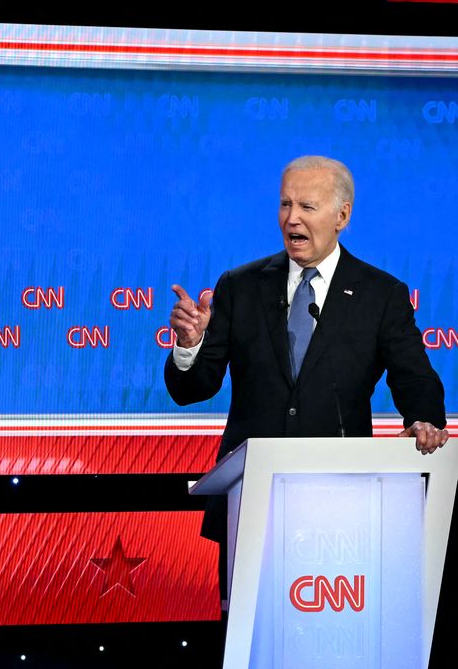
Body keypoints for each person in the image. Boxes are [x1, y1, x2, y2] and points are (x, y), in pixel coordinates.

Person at [165, 155, 447, 458]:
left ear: (342, 216)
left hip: (340, 481)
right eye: (286, 204)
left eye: (306, 207)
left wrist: (423, 421)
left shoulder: (381, 295)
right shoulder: (240, 286)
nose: (291, 218)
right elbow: (191, 390)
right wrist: (190, 345)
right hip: (250, 483)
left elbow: (414, 377)